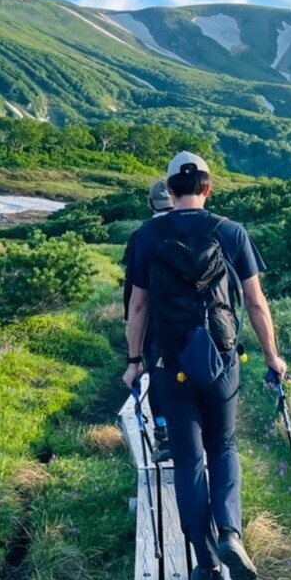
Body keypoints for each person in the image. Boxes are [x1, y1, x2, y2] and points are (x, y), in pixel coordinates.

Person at [122, 152, 288, 580]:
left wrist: (135, 361)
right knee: (225, 447)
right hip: (222, 361)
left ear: (169, 190)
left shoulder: (146, 236)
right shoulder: (232, 233)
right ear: (208, 190)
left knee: (189, 461)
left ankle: (205, 563)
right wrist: (272, 356)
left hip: (170, 365)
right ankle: (231, 532)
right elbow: (255, 303)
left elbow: (138, 307)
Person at [121, 178, 174, 462]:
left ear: (151, 203)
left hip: (155, 319)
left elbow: (133, 289)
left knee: (156, 373)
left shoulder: (143, 234)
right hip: (194, 321)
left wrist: (129, 324)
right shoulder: (192, 229)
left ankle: (163, 433)